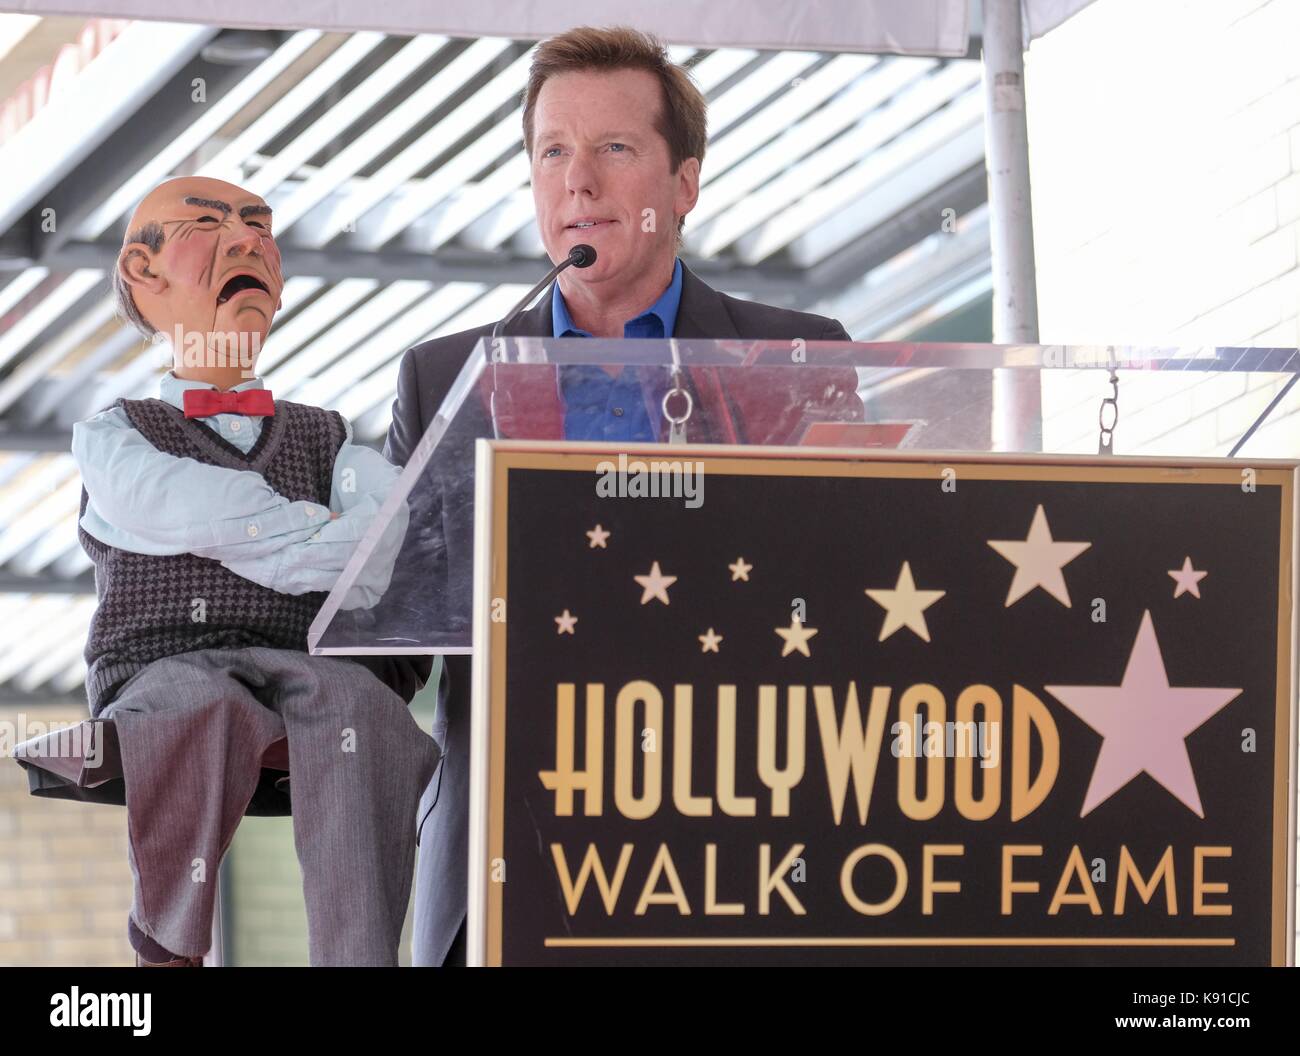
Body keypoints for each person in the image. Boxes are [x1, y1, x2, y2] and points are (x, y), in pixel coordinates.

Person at [385, 26, 863, 967]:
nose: (579, 183)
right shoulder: (446, 377)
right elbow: (394, 639)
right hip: (508, 869)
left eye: (614, 149)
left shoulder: (795, 357)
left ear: (683, 185)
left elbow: (843, 596)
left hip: (732, 849)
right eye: (552, 151)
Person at [12, 176, 438, 966]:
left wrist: (271, 541)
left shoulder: (332, 433)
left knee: (360, 708)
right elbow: (192, 507)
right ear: (145, 275)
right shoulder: (113, 437)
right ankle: (168, 939)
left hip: (307, 665)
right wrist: (316, 540)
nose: (246, 240)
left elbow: (380, 552)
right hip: (164, 662)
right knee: (197, 705)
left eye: (259, 226)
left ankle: (361, 956)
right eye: (206, 225)